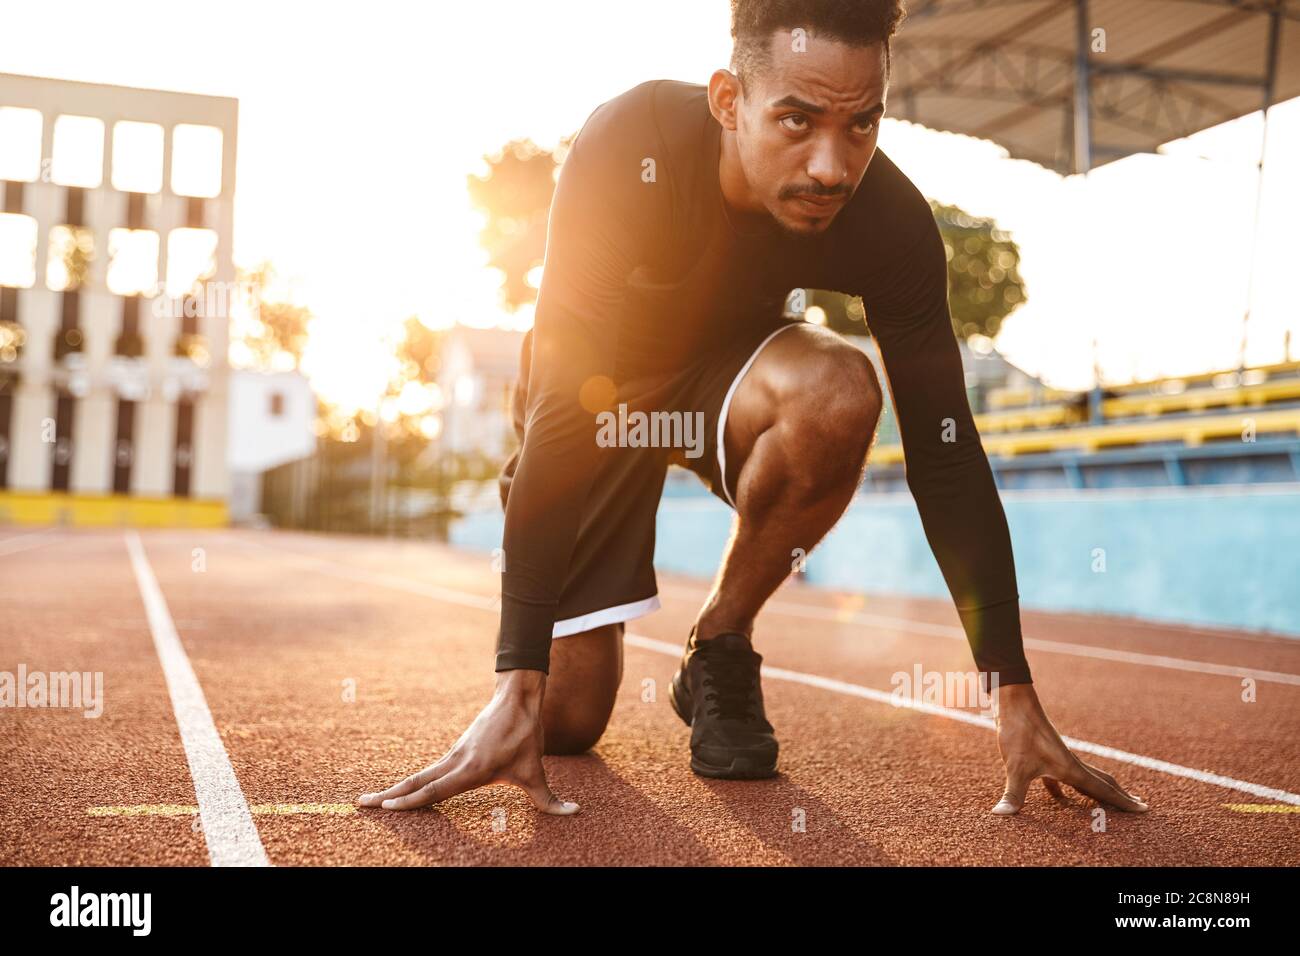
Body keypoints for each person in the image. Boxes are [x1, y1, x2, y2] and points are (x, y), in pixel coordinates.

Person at [359, 0, 1149, 818]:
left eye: (862, 124)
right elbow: (560, 403)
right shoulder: (630, 146)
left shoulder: (892, 224)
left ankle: (719, 641)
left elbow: (945, 452)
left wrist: (1012, 692)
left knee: (840, 389)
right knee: (566, 720)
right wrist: (515, 678)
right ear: (728, 101)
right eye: (797, 121)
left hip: (731, 378)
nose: (831, 167)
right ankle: (541, 690)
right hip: (596, 396)